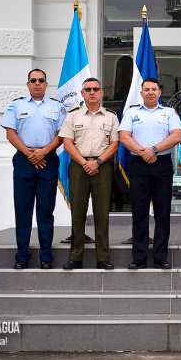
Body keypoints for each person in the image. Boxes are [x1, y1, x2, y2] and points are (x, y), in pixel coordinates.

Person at [0, 69, 66, 270]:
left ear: (46, 84)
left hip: (48, 160)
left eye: (41, 80)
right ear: (28, 84)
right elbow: (11, 134)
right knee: (23, 210)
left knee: (46, 210)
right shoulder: (15, 105)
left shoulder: (57, 107)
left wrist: (44, 151)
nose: (37, 83)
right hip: (23, 160)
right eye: (33, 80)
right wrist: (30, 154)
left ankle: (46, 257)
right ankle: (22, 256)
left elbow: (62, 134)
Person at [118, 78, 181, 270]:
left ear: (160, 92)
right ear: (141, 93)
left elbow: (176, 135)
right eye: (146, 89)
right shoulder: (132, 112)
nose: (150, 92)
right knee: (139, 212)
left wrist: (153, 150)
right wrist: (142, 152)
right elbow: (124, 137)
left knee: (162, 213)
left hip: (161, 164)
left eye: (154, 89)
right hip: (138, 164)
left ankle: (160, 257)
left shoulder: (169, 112)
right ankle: (138, 257)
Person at [59, 78, 120, 270]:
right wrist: (85, 162)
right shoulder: (73, 116)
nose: (92, 92)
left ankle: (103, 257)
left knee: (102, 213)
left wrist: (98, 162)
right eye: (88, 89)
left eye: (95, 89)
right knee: (78, 212)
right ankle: (75, 257)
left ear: (101, 92)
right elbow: (67, 143)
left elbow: (115, 144)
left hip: (102, 166)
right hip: (79, 165)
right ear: (82, 93)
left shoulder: (110, 116)